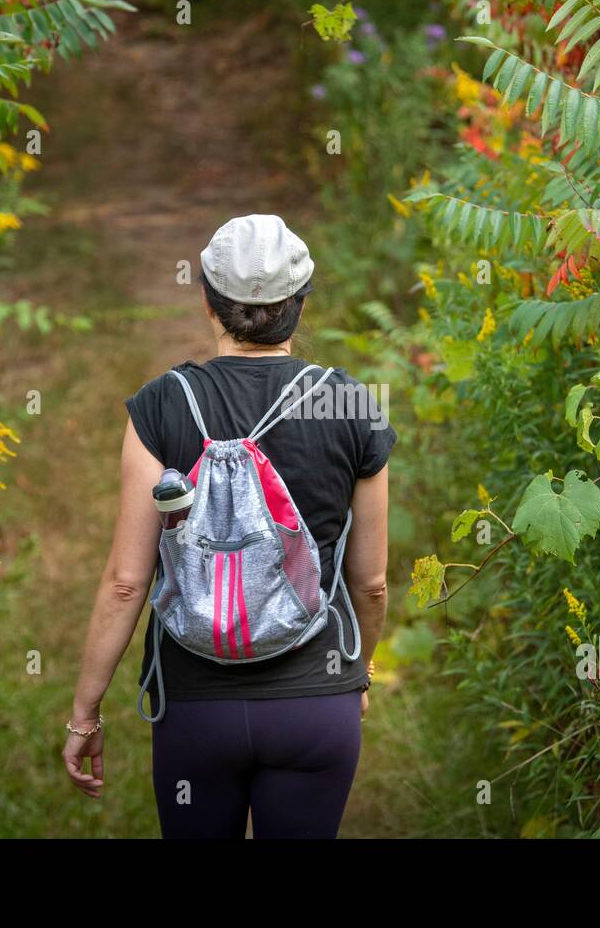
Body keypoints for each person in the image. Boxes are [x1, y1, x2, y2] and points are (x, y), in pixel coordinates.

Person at [62, 214, 395, 838]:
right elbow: (371, 583)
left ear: (208, 301)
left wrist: (86, 713)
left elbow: (126, 584)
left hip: (195, 710)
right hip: (315, 707)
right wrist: (358, 670)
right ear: (299, 303)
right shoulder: (350, 404)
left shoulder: (161, 405)